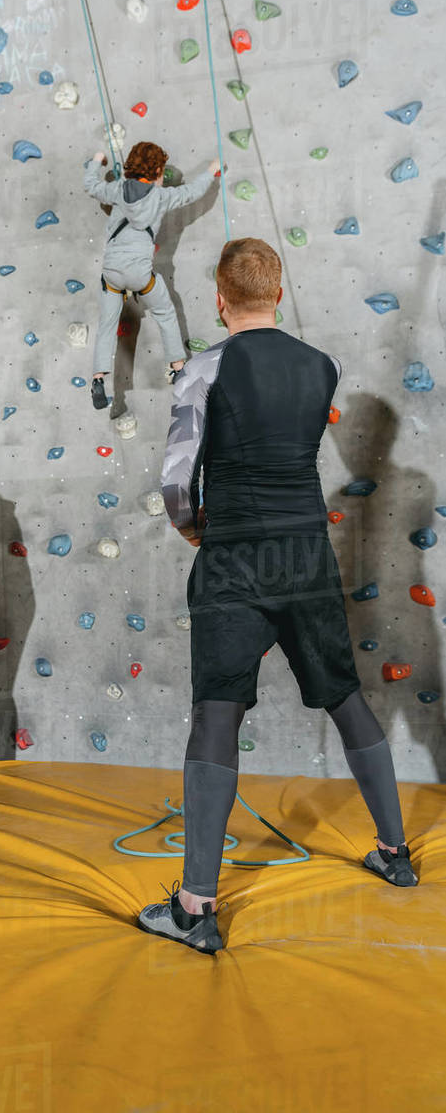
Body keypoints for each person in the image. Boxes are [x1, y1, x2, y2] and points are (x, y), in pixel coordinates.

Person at [138, 237, 418, 955]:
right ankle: (394, 854)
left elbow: (175, 482)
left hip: (234, 557)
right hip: (305, 555)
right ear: (279, 292)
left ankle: (195, 908)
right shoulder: (322, 366)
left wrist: (194, 530)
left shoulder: (203, 368)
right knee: (343, 694)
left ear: (218, 299)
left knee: (217, 712)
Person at [83, 141, 220, 410]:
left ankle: (98, 379)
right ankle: (178, 369)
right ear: (157, 171)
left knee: (107, 324)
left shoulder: (117, 189)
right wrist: (211, 170)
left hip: (111, 273)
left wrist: (97, 159)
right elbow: (192, 192)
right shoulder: (161, 197)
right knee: (165, 313)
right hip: (140, 274)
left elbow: (91, 185)